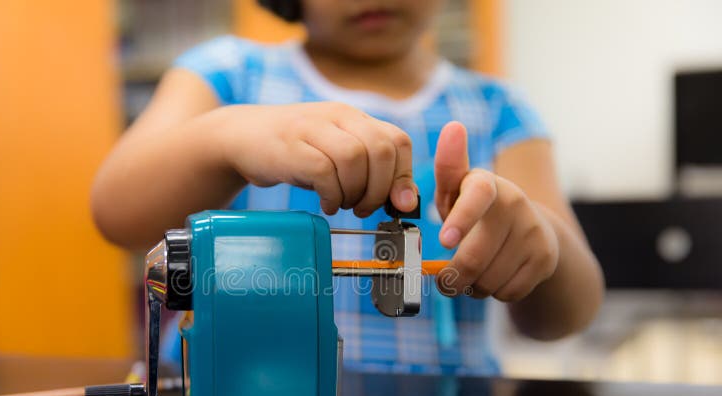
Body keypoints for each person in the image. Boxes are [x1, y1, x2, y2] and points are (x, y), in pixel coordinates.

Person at [91, 0, 604, 374]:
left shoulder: (500, 109)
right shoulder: (229, 76)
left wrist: (544, 247)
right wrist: (225, 136)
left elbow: (568, 315)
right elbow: (118, 214)